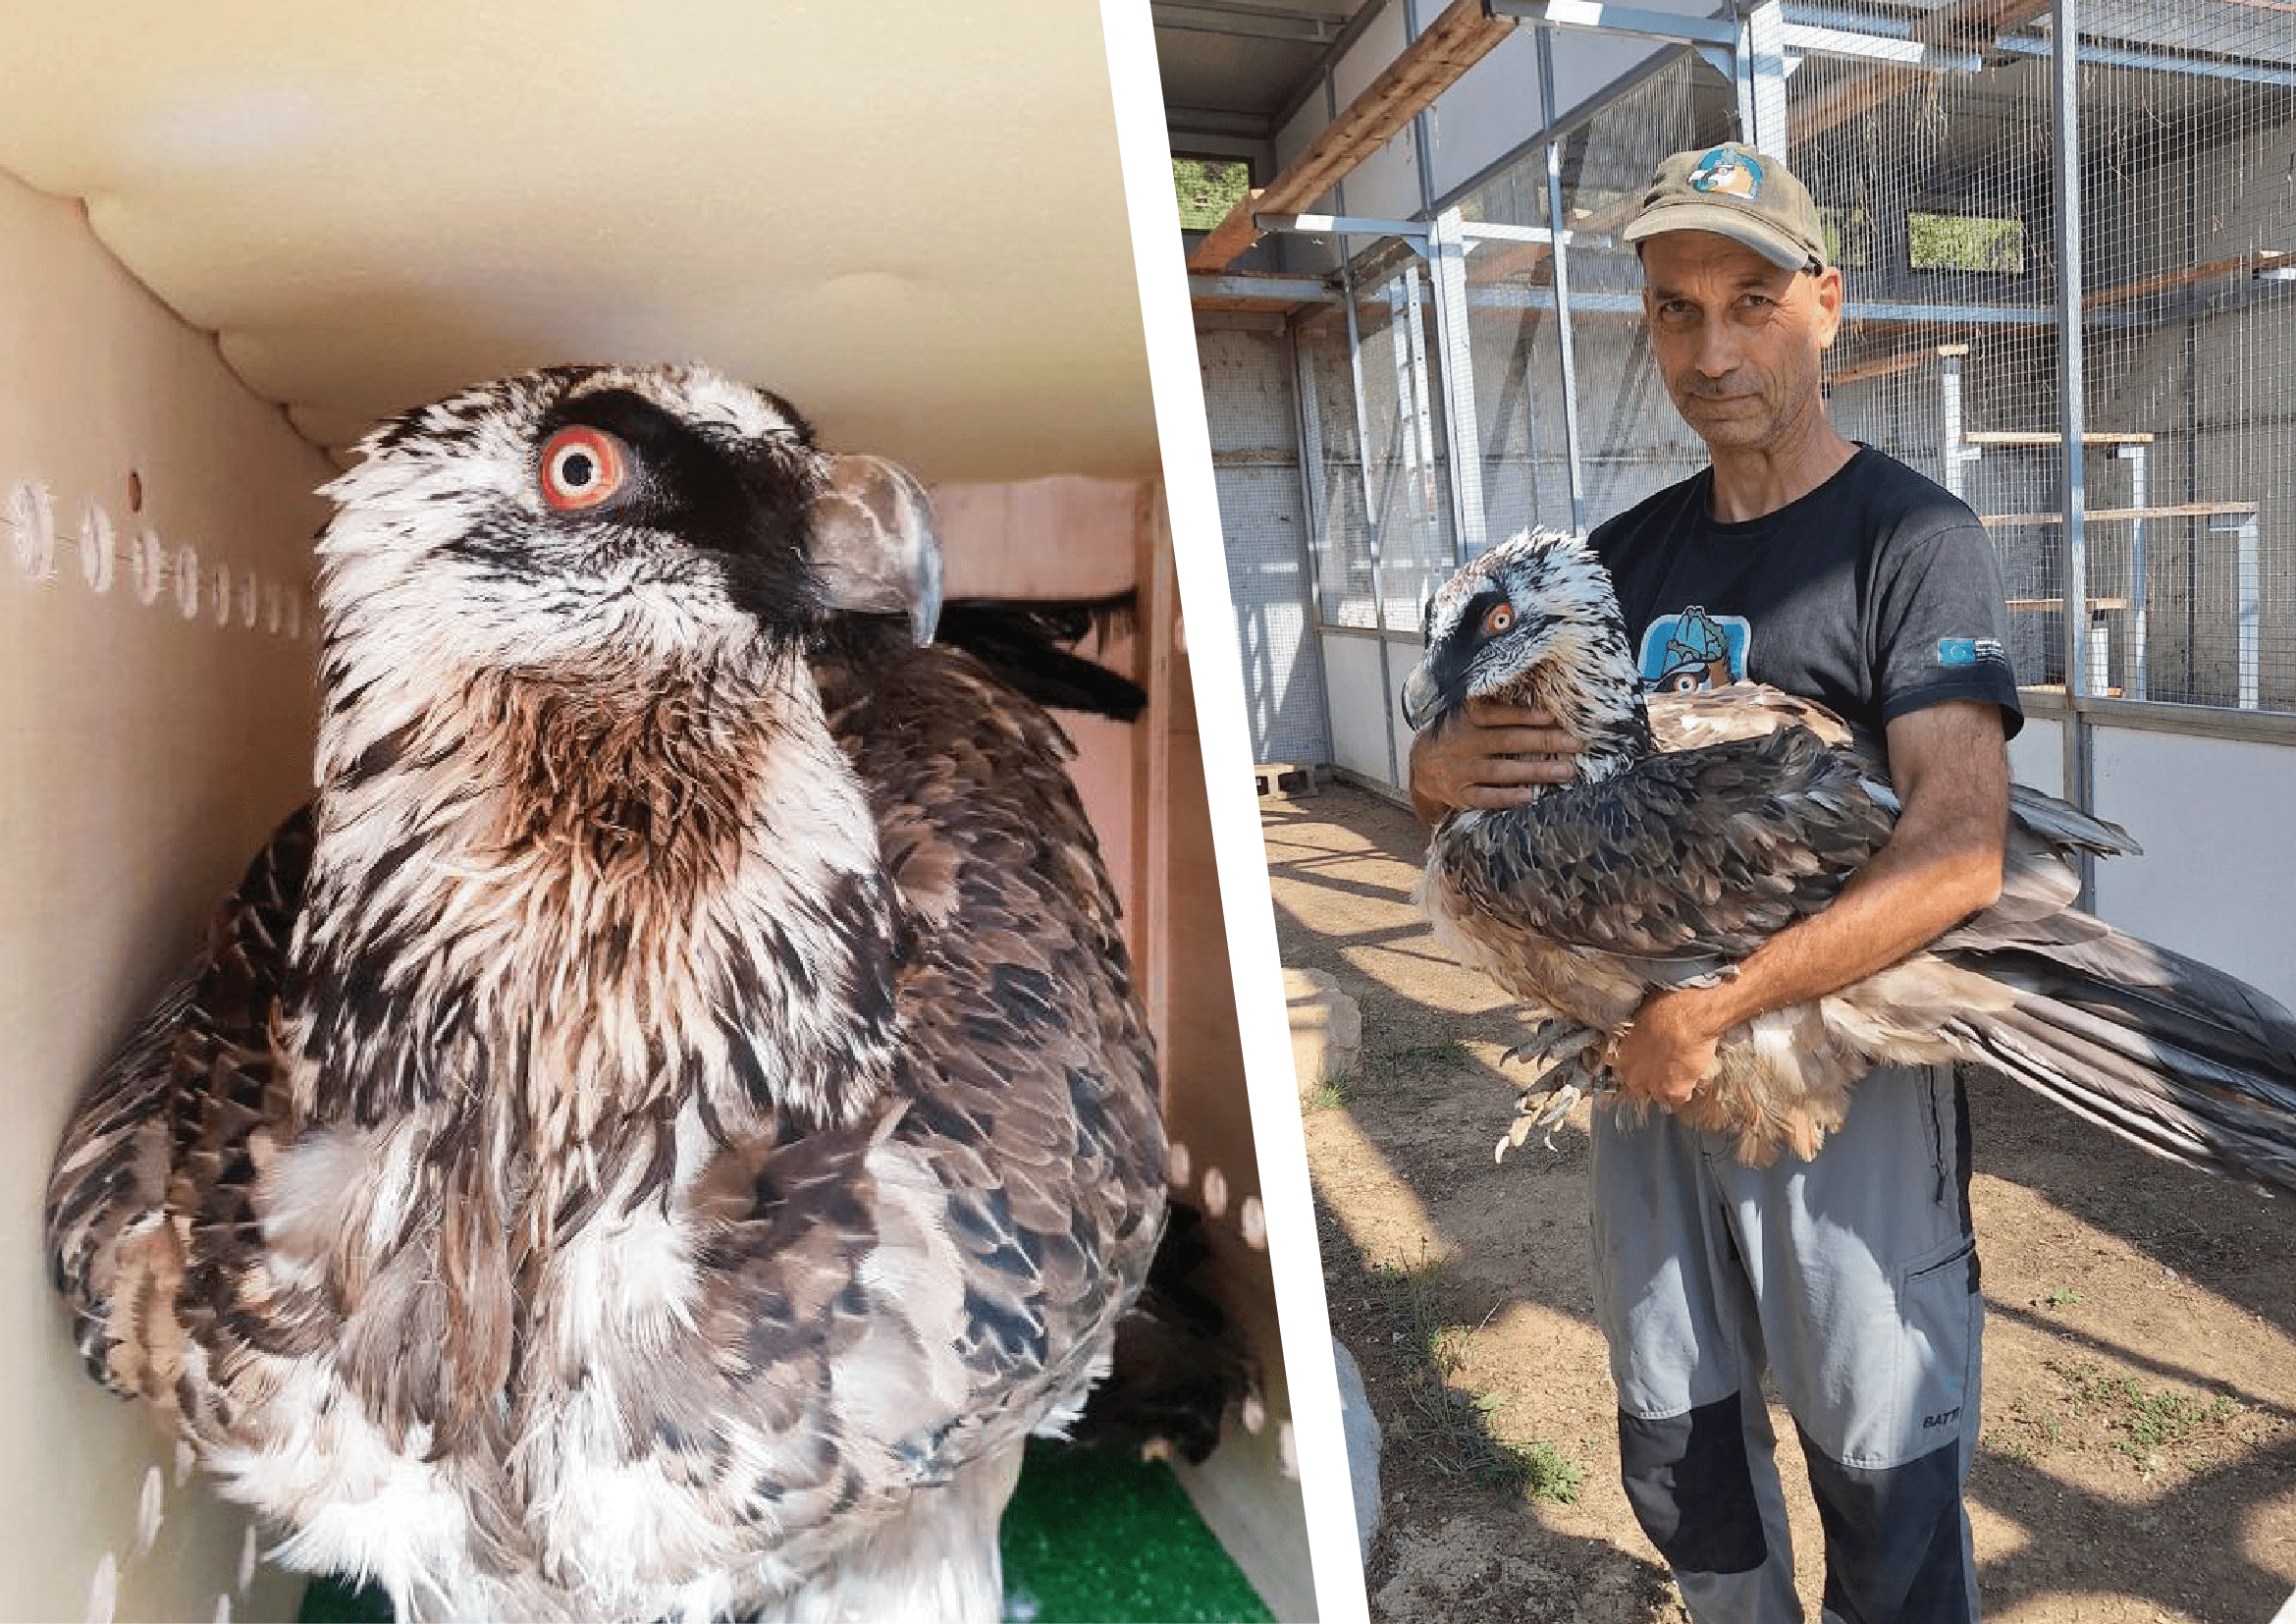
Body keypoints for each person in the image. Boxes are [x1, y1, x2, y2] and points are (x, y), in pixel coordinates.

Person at [1409, 142, 2023, 1622]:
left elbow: (1960, 842)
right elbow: (1493, 767)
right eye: (1675, 310)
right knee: (1679, 1431)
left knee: (1880, 1446)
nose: (1712, 346)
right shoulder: (1616, 560)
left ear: (1826, 307)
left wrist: (1720, 1002)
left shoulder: (1913, 540)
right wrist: (1435, 767)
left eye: (1750, 301)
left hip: (1840, 1066)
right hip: (1642, 1063)